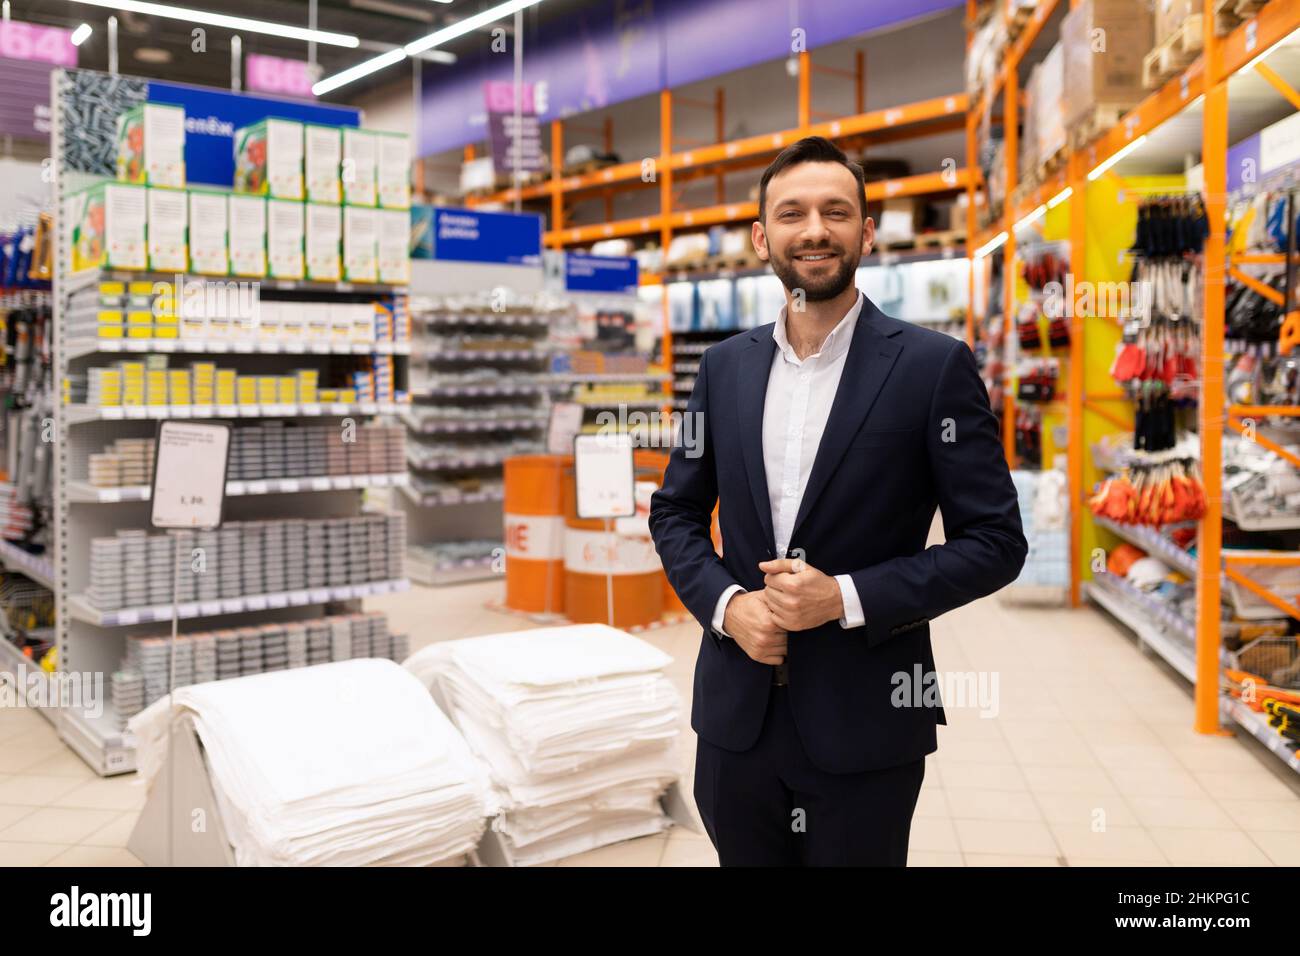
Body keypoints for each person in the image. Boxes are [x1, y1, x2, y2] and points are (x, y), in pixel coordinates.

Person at [648, 136, 1027, 867]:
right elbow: (675, 511)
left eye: (836, 211)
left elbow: (996, 542)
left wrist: (846, 597)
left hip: (868, 717)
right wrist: (729, 606)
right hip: (737, 715)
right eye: (792, 213)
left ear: (866, 231)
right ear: (763, 236)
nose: (814, 229)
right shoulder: (723, 368)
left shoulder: (932, 366)